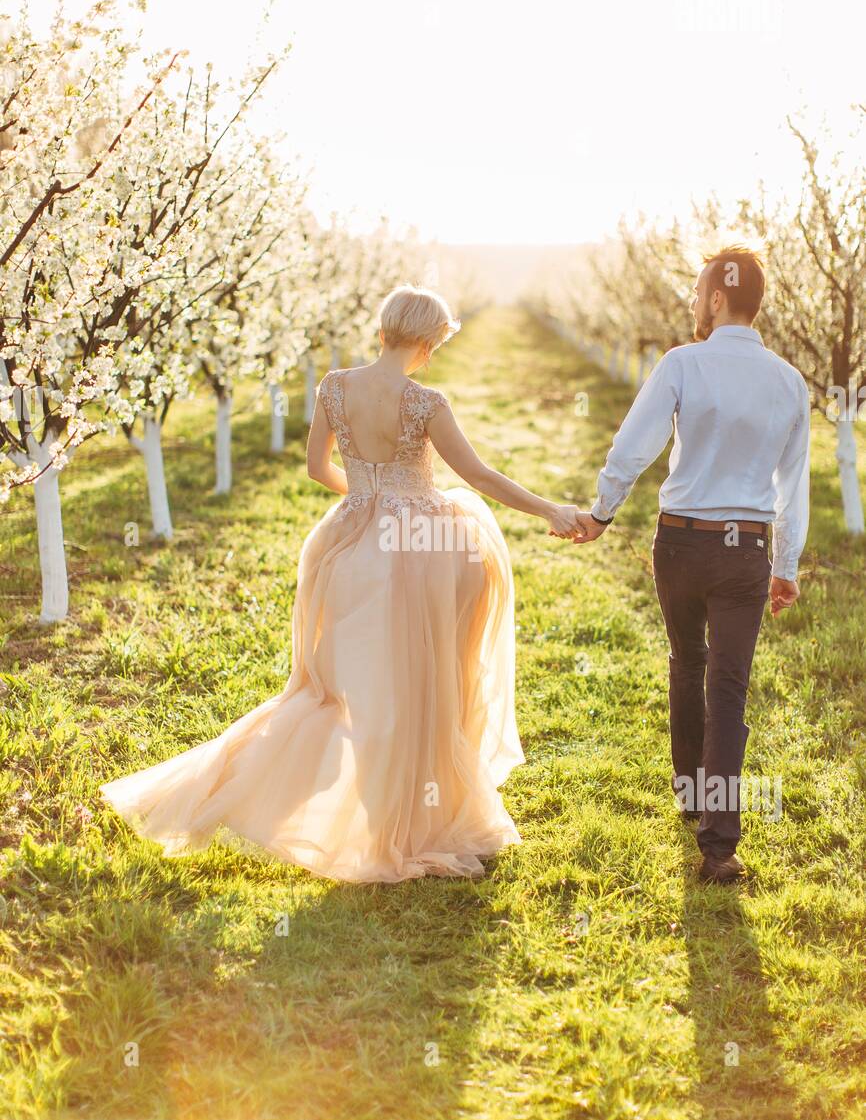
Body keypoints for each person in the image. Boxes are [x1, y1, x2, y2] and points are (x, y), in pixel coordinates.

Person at [100, 285, 581, 883]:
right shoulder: (426, 402)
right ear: (428, 344)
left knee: (339, 687)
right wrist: (550, 510)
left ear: (383, 330)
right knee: (424, 685)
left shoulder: (332, 387)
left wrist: (366, 500)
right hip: (424, 547)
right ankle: (410, 821)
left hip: (348, 542)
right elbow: (477, 474)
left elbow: (314, 467)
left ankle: (280, 796)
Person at [569, 246, 810, 883]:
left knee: (687, 661)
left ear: (715, 299)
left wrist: (602, 512)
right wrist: (785, 564)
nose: (695, 303)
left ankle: (689, 793)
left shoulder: (682, 363)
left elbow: (634, 443)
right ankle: (719, 847)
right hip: (746, 552)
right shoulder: (789, 380)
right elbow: (794, 485)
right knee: (727, 689)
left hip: (680, 542)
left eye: (699, 292)